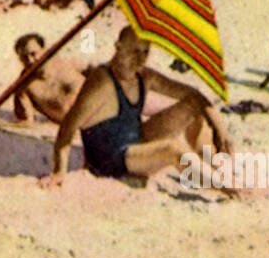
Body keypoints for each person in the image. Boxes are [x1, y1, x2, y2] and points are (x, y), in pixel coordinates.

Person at [40, 27, 242, 195]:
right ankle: (227, 189)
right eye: (133, 51)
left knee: (192, 109)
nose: (140, 58)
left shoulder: (144, 77)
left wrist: (219, 128)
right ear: (118, 48)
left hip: (135, 141)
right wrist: (59, 171)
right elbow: (69, 125)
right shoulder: (101, 81)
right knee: (173, 149)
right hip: (110, 161)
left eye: (145, 52)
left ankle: (216, 167)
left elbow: (193, 95)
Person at [11, 33, 88, 123]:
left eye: (33, 54)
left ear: (44, 50)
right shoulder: (23, 87)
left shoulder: (70, 64)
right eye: (24, 57)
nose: (30, 61)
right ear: (20, 60)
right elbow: (26, 122)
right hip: (74, 129)